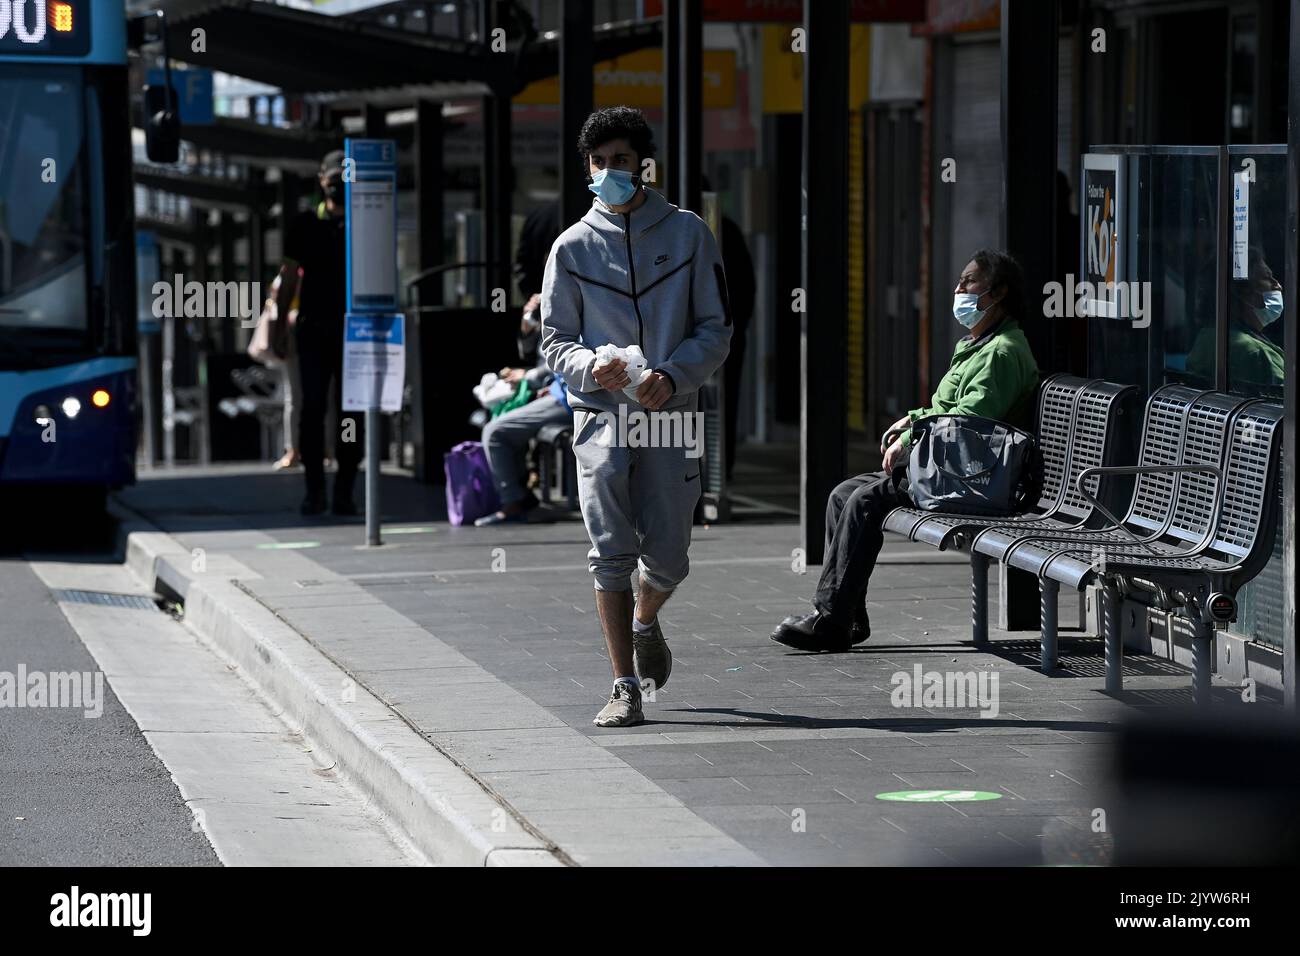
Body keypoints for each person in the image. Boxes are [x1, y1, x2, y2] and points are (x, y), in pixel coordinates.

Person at [541, 106, 732, 727]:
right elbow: (554, 340)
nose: (607, 172)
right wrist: (586, 369)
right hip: (600, 417)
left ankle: (647, 618)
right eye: (597, 163)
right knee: (609, 550)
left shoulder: (688, 234)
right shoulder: (570, 248)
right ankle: (624, 686)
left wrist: (675, 375)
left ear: (642, 164)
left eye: (619, 161)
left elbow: (715, 327)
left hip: (671, 413)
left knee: (671, 558)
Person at [771, 249, 1040, 653]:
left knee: (865, 500)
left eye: (969, 281)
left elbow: (968, 424)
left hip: (973, 477)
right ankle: (848, 616)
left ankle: (830, 620)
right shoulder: (978, 345)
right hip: (953, 467)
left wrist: (911, 437)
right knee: (843, 494)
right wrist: (911, 421)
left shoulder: (1001, 352)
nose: (959, 288)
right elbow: (943, 411)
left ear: (997, 293)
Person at [274, 150, 363, 516]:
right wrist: (280, 326)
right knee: (312, 410)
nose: (336, 188)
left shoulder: (364, 226)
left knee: (349, 414)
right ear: (321, 181)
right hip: (313, 329)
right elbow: (289, 278)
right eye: (332, 181)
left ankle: (343, 491)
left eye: (343, 181)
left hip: (354, 331)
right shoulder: (303, 225)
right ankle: (314, 490)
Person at [1186, 246, 1285, 393]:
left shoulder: (1207, 337)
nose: (1278, 285)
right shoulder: (1256, 353)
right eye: (1266, 277)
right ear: (1243, 292)